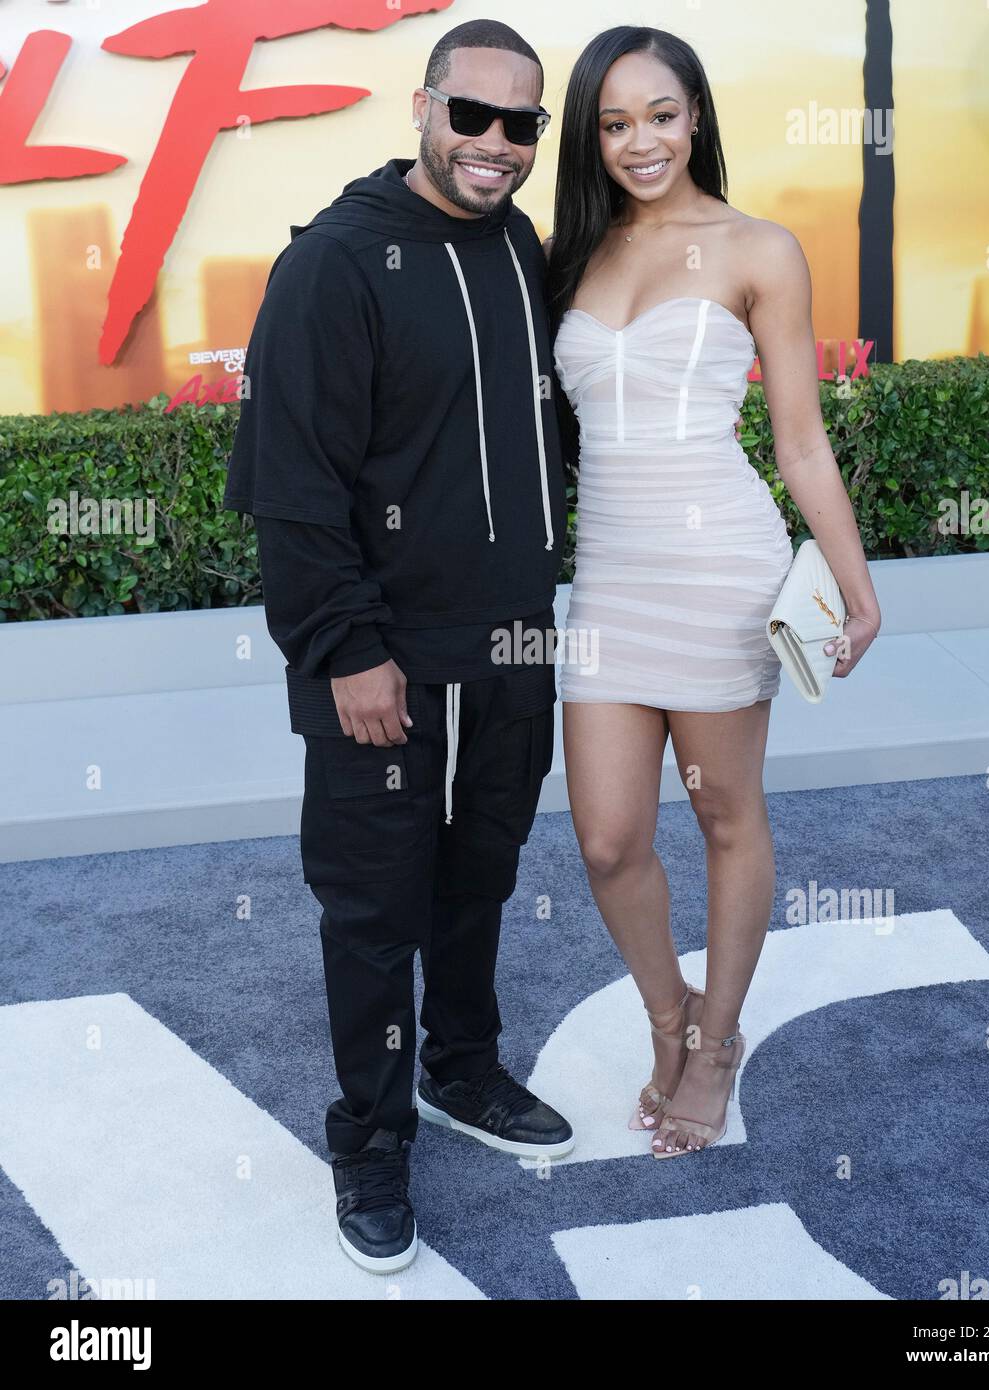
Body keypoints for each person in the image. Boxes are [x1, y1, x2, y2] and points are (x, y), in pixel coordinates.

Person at [223, 19, 573, 1274]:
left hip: (512, 646)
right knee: (372, 912)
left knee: (480, 870)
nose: (493, 143)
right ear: (421, 107)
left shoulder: (519, 246)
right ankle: (367, 1143)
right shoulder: (335, 259)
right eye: (470, 115)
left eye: (518, 125)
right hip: (378, 661)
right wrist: (342, 648)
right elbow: (291, 480)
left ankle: (461, 1069)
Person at [546, 26, 882, 1159]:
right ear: (591, 135)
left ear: (694, 116)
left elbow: (799, 442)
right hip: (607, 584)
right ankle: (665, 1016)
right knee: (605, 838)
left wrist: (852, 580)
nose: (640, 140)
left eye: (659, 114)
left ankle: (719, 1039)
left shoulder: (757, 249)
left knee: (725, 817)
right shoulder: (568, 256)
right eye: (613, 121)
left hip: (720, 574)